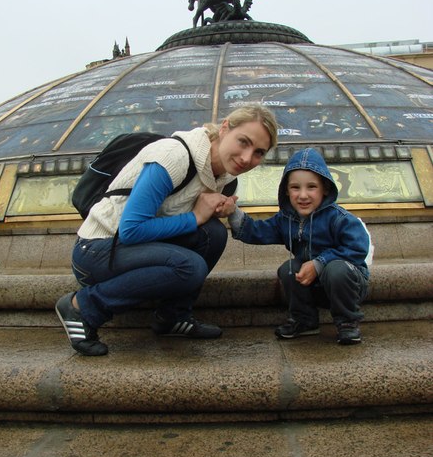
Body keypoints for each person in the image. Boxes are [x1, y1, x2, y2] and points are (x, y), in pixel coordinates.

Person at [55, 104, 278, 356]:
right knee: (189, 267)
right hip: (96, 252)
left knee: (213, 234)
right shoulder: (174, 156)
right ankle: (83, 307)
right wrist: (195, 217)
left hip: (132, 251)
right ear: (225, 128)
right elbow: (131, 230)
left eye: (259, 152)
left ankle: (173, 317)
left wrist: (213, 213)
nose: (247, 158)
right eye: (243, 142)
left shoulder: (225, 176)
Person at [227, 147, 371, 345]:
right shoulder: (285, 219)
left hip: (347, 285)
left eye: (311, 187)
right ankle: (305, 320)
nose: (303, 195)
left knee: (336, 269)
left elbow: (357, 248)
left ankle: (347, 322)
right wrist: (232, 212)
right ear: (286, 190)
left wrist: (319, 263)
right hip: (314, 287)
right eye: (295, 187)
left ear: (325, 188)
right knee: (289, 268)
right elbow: (257, 231)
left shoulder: (340, 218)